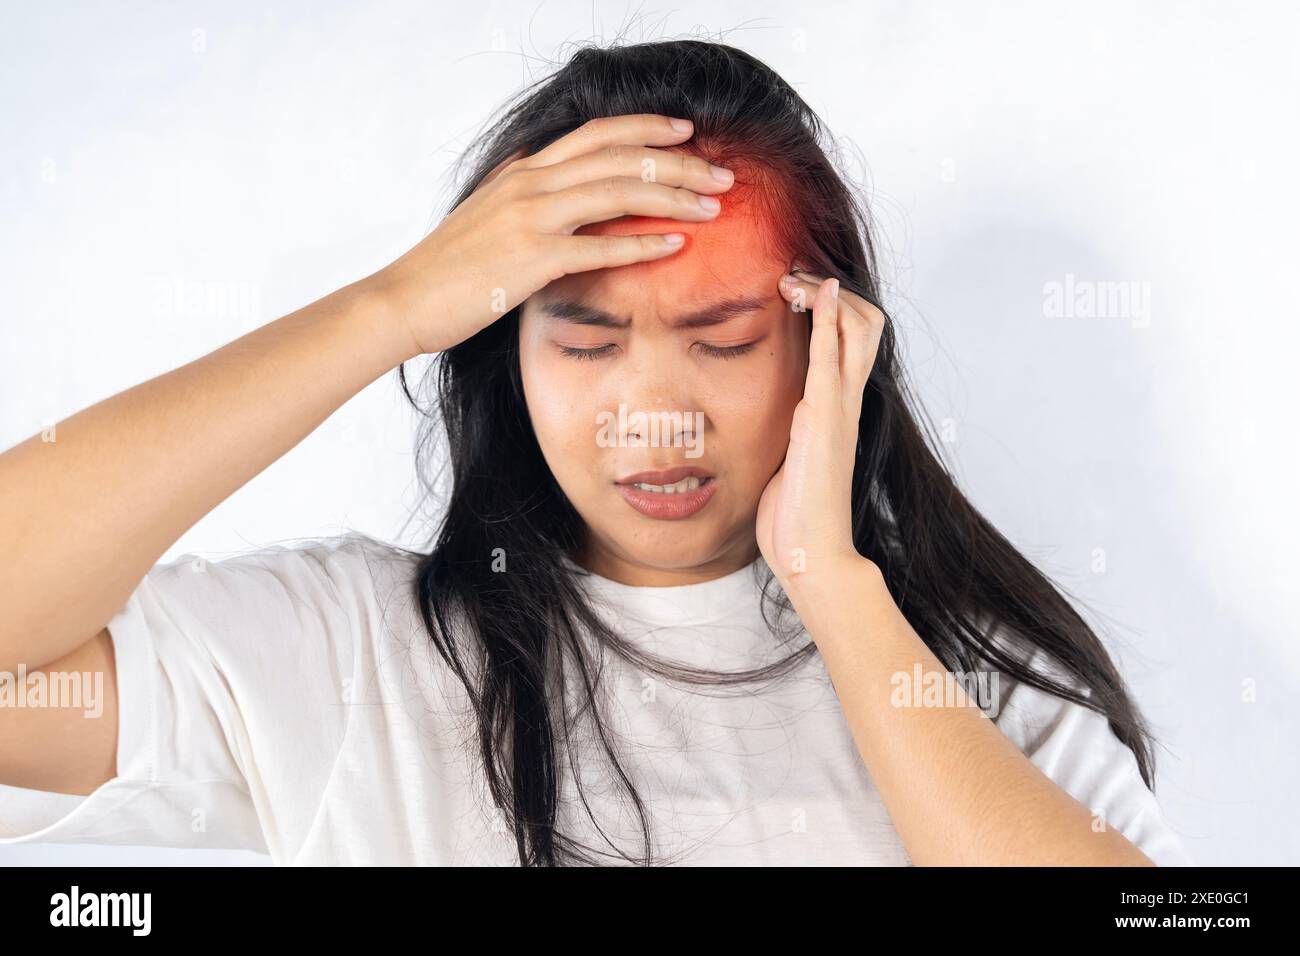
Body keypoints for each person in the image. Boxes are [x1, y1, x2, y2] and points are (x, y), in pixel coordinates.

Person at [0, 40, 1190, 866]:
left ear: (831, 345)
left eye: (723, 339)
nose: (653, 414)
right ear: (504, 355)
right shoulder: (345, 652)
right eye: (585, 340)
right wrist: (388, 308)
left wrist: (834, 582)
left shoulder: (977, 689)